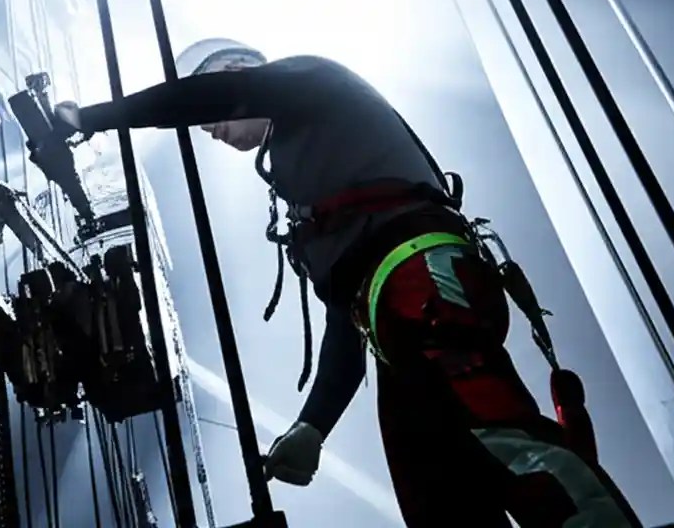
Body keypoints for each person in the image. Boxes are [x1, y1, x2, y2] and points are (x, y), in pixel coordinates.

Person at [53, 38, 638, 527]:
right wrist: (315, 424)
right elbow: (345, 320)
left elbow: (212, 95)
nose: (208, 129)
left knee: (501, 437)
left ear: (238, 70)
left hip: (422, 281)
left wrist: (95, 119)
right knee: (437, 497)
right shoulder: (310, 183)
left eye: (211, 115)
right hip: (392, 316)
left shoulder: (311, 80)